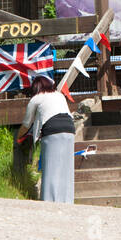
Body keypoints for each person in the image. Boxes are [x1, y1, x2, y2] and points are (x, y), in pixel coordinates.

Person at [15, 74, 75, 203]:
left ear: (35, 88)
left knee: (51, 168)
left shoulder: (36, 99)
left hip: (52, 130)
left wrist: (18, 137)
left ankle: (50, 201)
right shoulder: (59, 95)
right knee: (66, 168)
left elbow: (26, 124)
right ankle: (67, 201)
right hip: (70, 129)